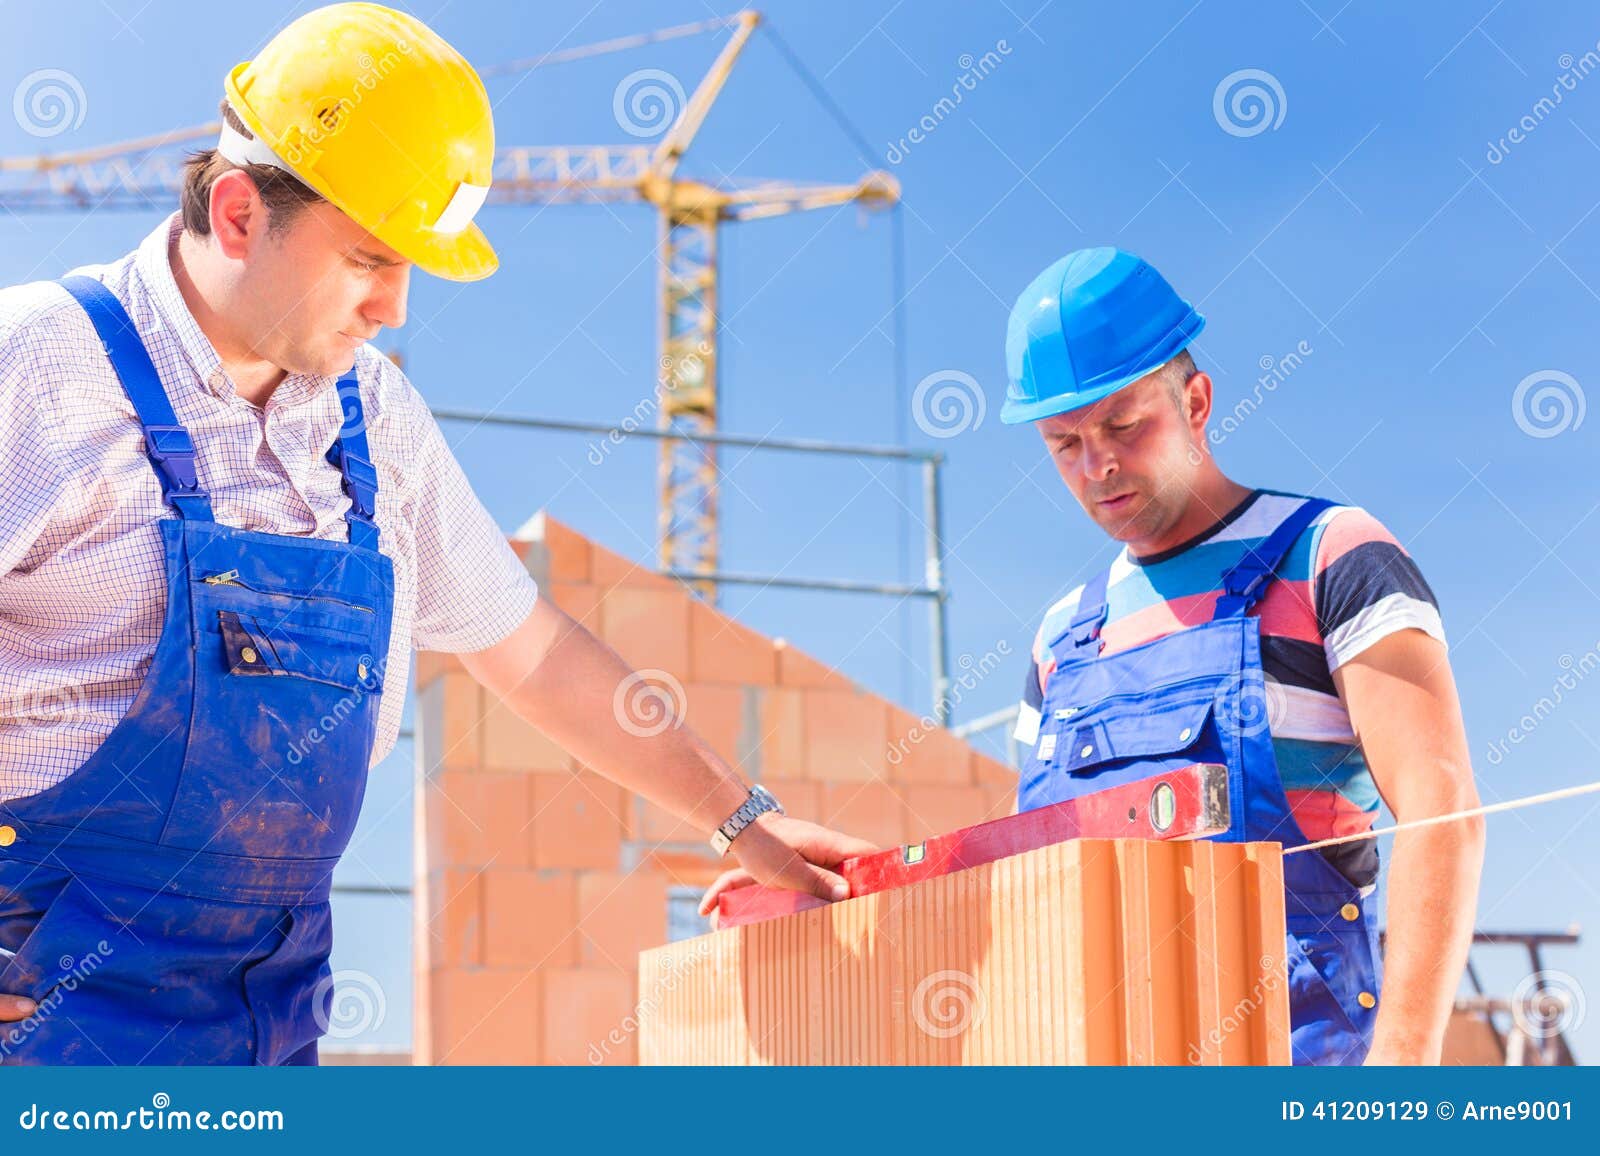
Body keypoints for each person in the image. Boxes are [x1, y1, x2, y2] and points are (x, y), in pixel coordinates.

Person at [0, 3, 872, 1066]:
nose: (395, 306)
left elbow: (536, 654)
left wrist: (740, 817)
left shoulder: (375, 425)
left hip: (267, 1033)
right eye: (371, 258)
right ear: (238, 213)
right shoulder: (36, 366)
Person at [1002, 247, 1484, 1065]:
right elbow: (1034, 887)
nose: (1099, 465)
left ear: (1196, 401)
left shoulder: (1332, 556)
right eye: (1064, 443)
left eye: (1123, 424)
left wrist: (1403, 1070)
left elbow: (1445, 815)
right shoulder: (1061, 641)